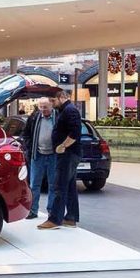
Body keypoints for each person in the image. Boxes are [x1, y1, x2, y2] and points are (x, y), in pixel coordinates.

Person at [39, 90, 82, 230]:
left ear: (62, 97)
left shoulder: (70, 111)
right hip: (68, 154)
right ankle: (70, 217)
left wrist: (63, 146)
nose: (52, 103)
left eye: (53, 100)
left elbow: (75, 132)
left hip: (68, 154)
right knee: (69, 187)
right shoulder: (66, 111)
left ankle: (54, 219)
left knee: (59, 186)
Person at [20, 97, 57, 221]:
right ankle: (33, 210)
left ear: (51, 106)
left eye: (45, 107)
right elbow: (25, 134)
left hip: (53, 156)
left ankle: (51, 210)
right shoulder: (35, 117)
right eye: (41, 107)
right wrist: (30, 147)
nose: (43, 110)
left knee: (53, 185)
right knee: (34, 184)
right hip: (37, 155)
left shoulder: (57, 117)